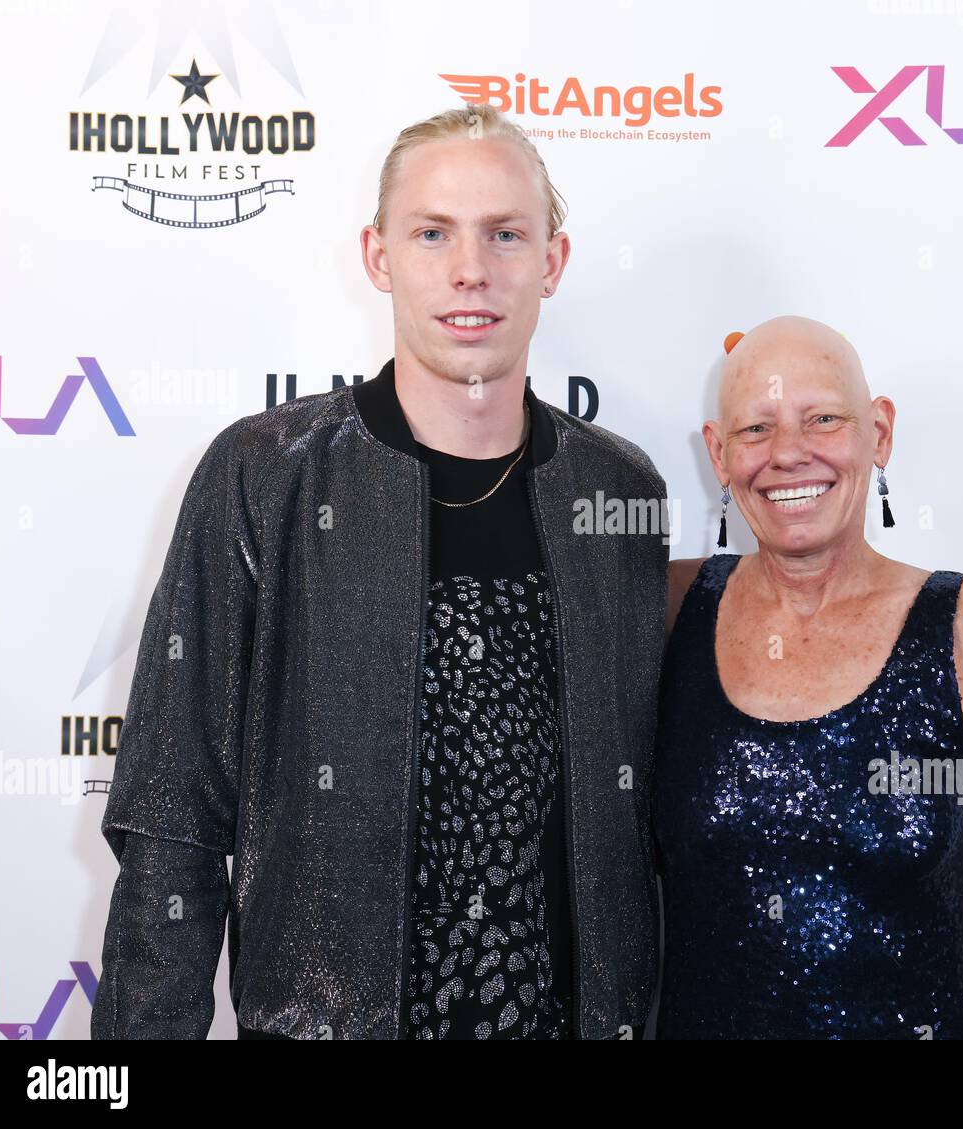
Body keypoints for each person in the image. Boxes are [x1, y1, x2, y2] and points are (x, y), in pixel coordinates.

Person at [91, 104, 667, 1040]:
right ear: (377, 256)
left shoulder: (617, 491)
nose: (470, 269)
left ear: (553, 262)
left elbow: (647, 825)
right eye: (432, 232)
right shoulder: (265, 475)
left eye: (506, 234)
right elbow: (174, 819)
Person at [652, 316, 963, 1039]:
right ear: (718, 455)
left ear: (878, 432)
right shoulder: (661, 612)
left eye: (822, 418)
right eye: (756, 429)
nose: (789, 453)